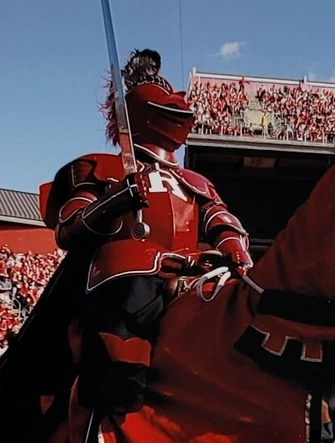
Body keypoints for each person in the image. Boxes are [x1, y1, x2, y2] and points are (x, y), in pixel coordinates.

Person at [39, 47, 253, 416]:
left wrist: (233, 244)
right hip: (132, 274)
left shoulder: (195, 180)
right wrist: (114, 201)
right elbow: (69, 229)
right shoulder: (99, 166)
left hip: (193, 271)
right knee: (127, 276)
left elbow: (219, 216)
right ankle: (106, 407)